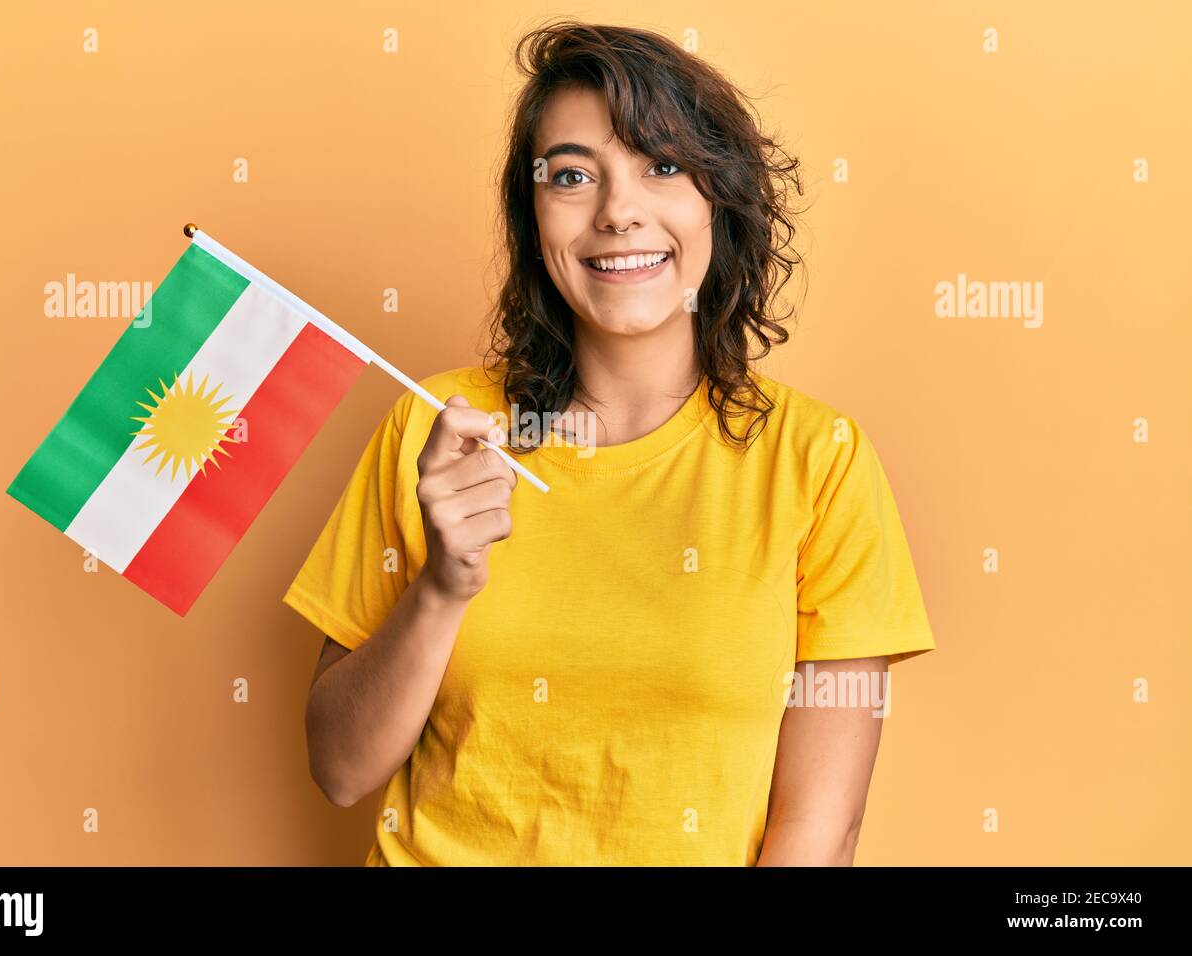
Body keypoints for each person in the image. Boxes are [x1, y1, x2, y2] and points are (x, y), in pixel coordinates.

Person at [284, 20, 936, 866]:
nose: (618, 211)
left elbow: (819, 830)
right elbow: (339, 768)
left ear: (720, 201)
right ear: (534, 219)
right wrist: (444, 586)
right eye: (571, 175)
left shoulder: (821, 462)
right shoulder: (439, 426)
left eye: (662, 165)